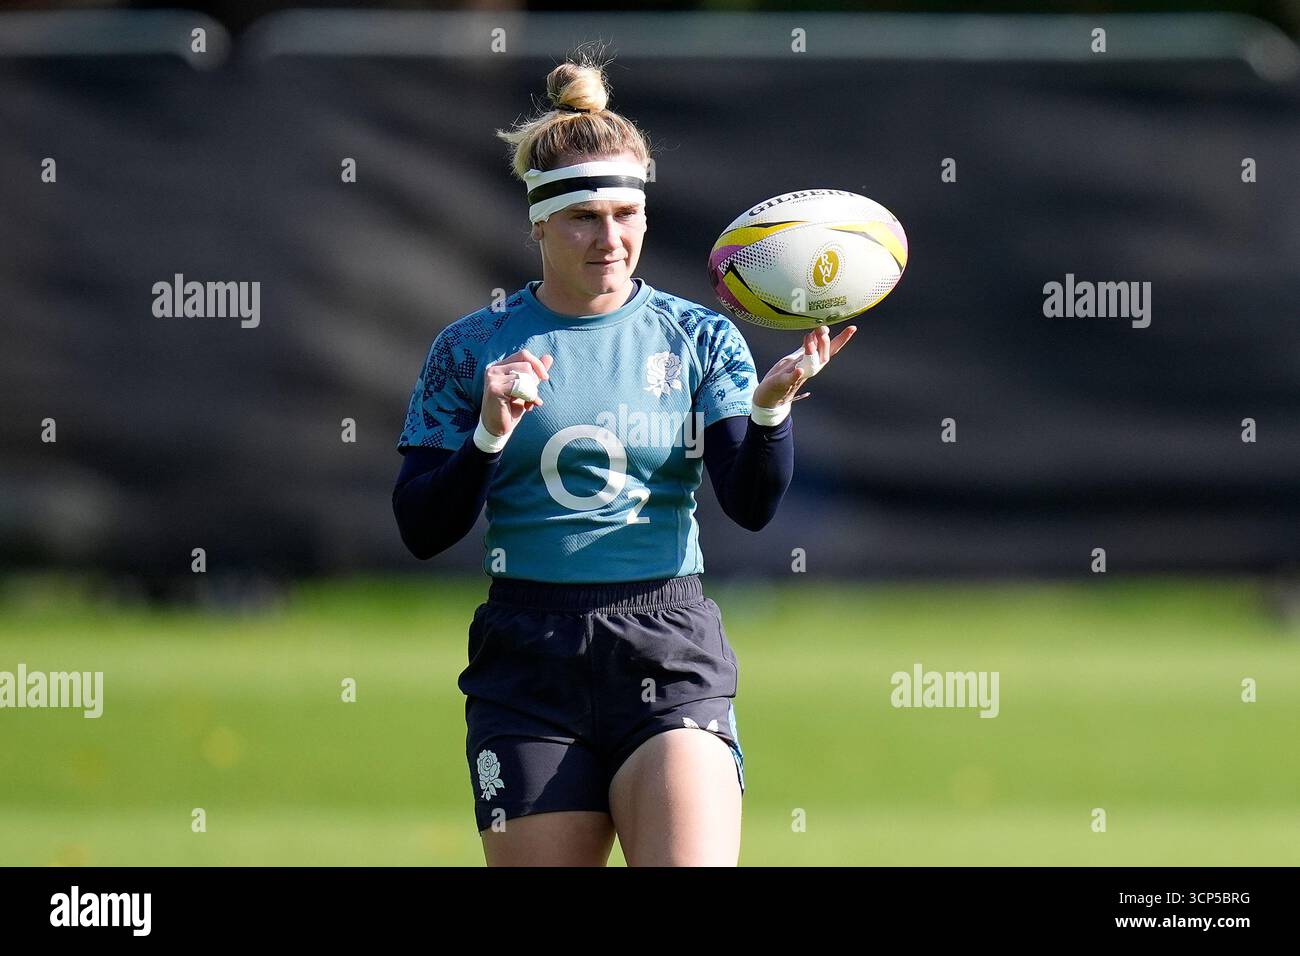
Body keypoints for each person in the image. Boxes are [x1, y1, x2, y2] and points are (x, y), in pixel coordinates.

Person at [392, 51, 854, 866]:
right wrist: (488, 435)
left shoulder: (702, 337)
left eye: (626, 215)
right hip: (528, 657)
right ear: (538, 222)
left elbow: (750, 504)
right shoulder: (470, 350)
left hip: (667, 648)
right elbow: (422, 528)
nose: (610, 239)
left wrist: (771, 410)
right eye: (583, 218)